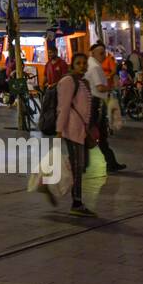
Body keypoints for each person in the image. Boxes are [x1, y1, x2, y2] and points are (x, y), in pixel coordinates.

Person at [54, 52, 95, 216]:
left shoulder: (83, 82)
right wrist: (59, 130)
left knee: (78, 165)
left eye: (84, 63)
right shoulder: (68, 81)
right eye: (78, 63)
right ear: (72, 65)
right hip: (71, 130)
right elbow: (63, 107)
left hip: (81, 131)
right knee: (77, 166)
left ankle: (58, 187)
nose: (82, 66)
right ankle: (76, 202)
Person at [86, 43, 126, 171]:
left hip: (94, 103)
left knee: (98, 135)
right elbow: (100, 87)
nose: (103, 56)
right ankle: (109, 163)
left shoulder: (91, 65)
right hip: (96, 103)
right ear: (93, 54)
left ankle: (111, 162)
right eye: (101, 53)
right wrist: (112, 87)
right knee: (99, 135)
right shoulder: (95, 67)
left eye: (104, 53)